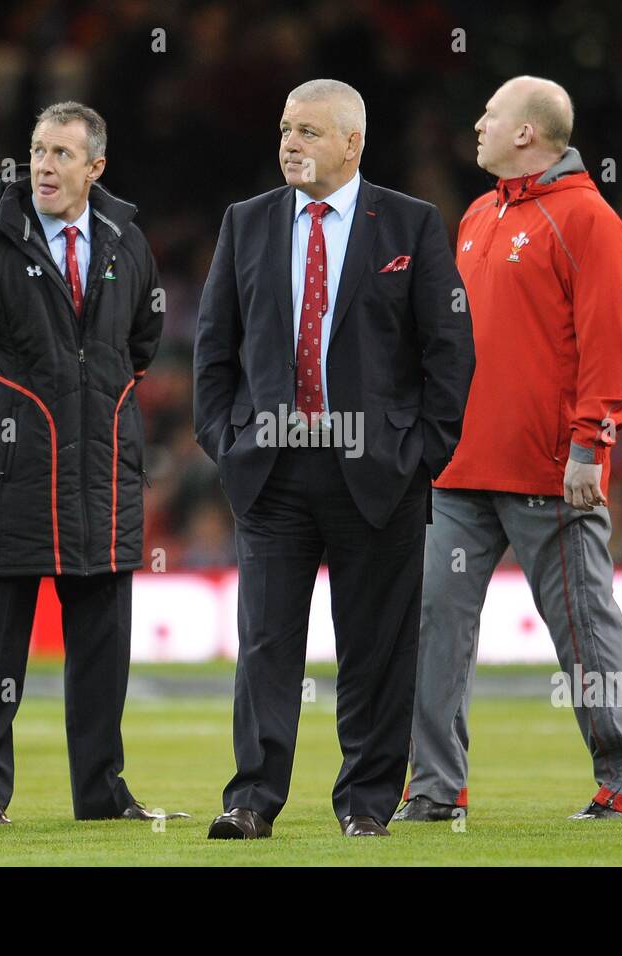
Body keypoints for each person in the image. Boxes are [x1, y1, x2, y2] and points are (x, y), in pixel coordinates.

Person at [193, 79, 474, 838]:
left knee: (376, 649)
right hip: (273, 468)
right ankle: (251, 801)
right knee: (265, 645)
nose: (291, 143)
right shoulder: (245, 222)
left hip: (377, 470)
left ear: (353, 144)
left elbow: (449, 351)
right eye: (286, 129)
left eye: (310, 132)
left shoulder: (411, 225)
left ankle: (366, 804)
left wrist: (422, 455)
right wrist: (226, 439)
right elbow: (213, 345)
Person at [0, 101, 178, 826]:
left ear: (96, 167)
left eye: (61, 153)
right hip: (12, 479)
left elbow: (137, 350)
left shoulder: (127, 246)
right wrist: (3, 423)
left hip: (99, 479)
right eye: (37, 151)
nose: (45, 166)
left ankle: (101, 795)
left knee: (102, 656)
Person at [397, 76, 622, 823]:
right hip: (458, 468)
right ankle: (436, 790)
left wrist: (589, 445)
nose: (476, 122)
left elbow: (615, 343)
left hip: (551, 472)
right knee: (432, 624)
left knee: (585, 631)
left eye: (490, 114)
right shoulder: (477, 215)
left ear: (526, 134)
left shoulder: (590, 221)